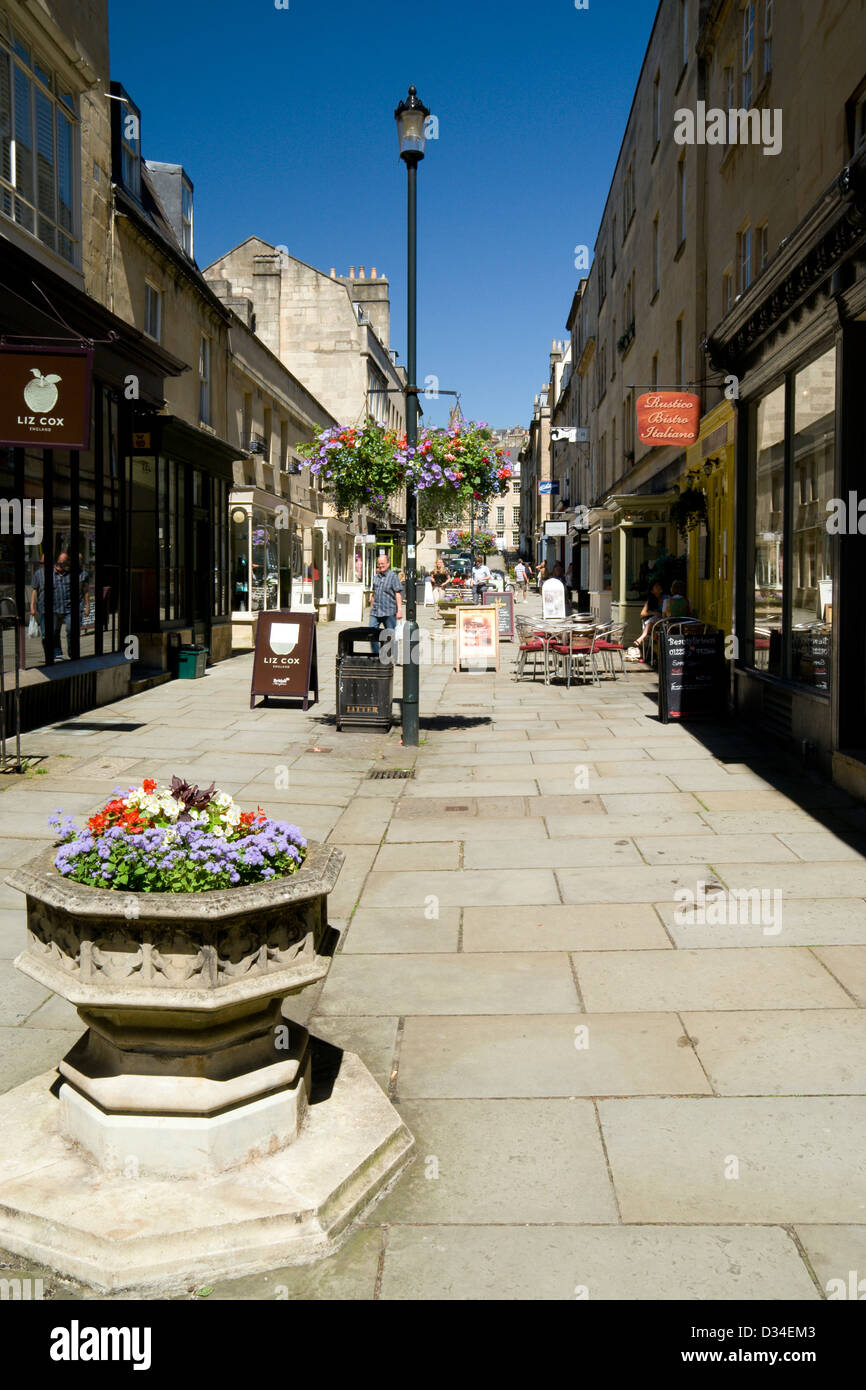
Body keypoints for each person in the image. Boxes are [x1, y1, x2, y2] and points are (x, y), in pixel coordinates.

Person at [368, 552, 403, 654]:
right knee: (371, 633)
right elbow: (374, 594)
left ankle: (388, 656)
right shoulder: (376, 577)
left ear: (388, 564)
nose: (381, 565)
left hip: (389, 611)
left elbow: (398, 594)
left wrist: (399, 611)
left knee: (390, 635)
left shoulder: (393, 576)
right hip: (375, 611)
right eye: (379, 563)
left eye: (383, 563)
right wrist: (371, 609)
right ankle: (376, 654)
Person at [636, 579, 665, 660]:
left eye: (659, 585)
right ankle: (659, 657)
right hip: (655, 626)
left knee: (655, 626)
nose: (659, 587)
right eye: (656, 587)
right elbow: (642, 613)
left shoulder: (666, 598)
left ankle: (643, 636)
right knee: (654, 624)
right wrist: (653, 612)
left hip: (662, 623)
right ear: (652, 591)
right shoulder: (650, 601)